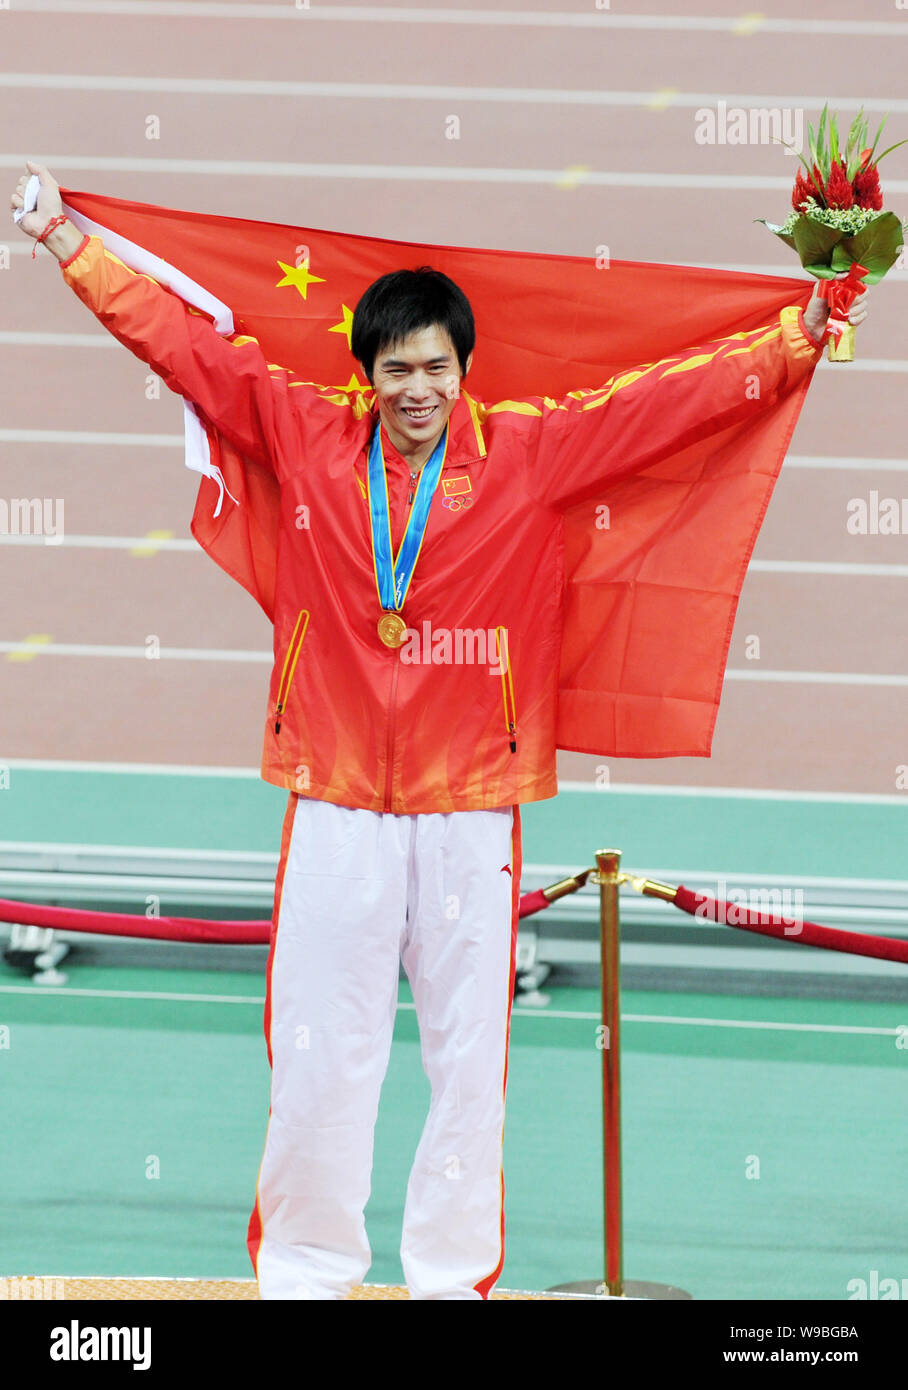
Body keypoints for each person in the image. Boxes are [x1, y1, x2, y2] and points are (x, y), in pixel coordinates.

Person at [10, 161, 868, 1301]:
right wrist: (69, 241)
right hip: (332, 801)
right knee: (319, 1065)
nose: (418, 388)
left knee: (469, 1071)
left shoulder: (526, 454)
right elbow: (182, 346)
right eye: (397, 368)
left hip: (470, 813)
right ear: (365, 373)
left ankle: (447, 1279)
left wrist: (796, 335)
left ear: (463, 370)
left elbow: (664, 403)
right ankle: (308, 1276)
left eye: (437, 367)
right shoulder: (303, 433)